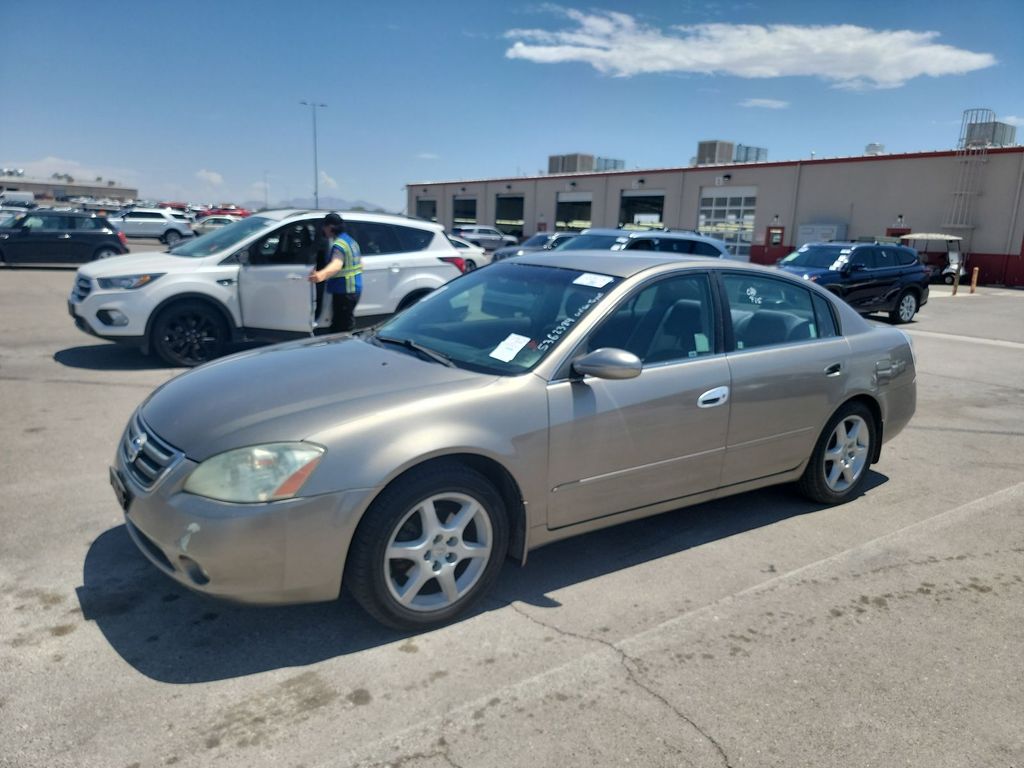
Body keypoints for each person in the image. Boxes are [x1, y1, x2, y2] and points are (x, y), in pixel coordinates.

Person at [309, 212, 362, 332]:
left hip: (345, 291)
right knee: (344, 323)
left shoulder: (339, 245)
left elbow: (336, 265)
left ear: (330, 227)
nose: (323, 229)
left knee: (341, 327)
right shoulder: (350, 241)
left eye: (324, 226)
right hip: (353, 290)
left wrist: (320, 275)